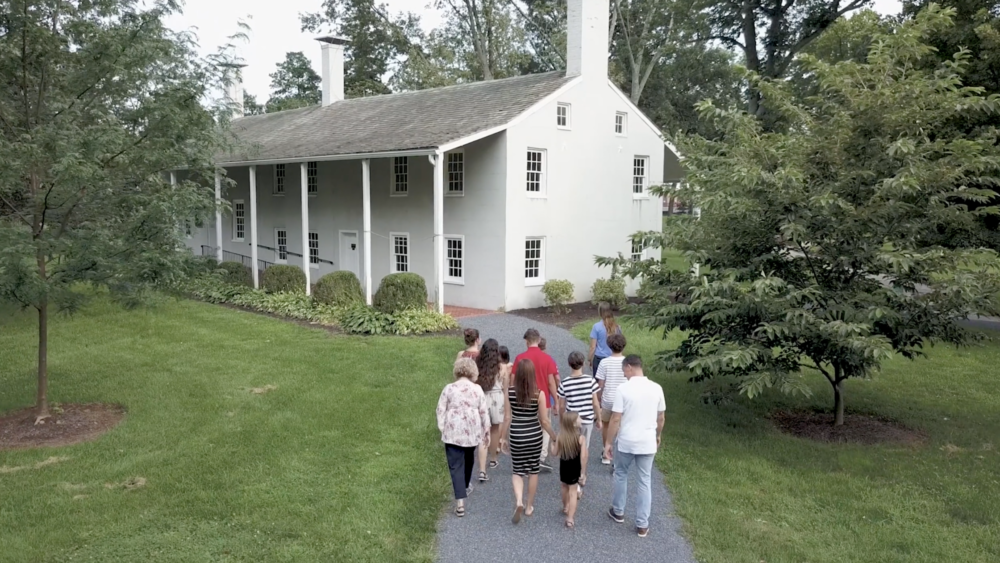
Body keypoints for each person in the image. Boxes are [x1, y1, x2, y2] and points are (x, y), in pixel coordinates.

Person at [604, 355, 665, 538]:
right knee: (644, 480)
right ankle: (642, 524)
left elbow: (615, 418)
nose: (624, 374)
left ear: (629, 367)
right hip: (647, 441)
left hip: (627, 441)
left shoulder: (623, 389)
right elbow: (661, 417)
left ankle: (618, 511)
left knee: (621, 473)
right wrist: (658, 435)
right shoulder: (656, 388)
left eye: (624, 370)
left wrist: (608, 442)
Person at [500, 359, 556, 524]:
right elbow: (544, 421)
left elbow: (507, 417)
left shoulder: (509, 392)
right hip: (534, 435)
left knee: (517, 470)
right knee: (533, 470)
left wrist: (503, 438)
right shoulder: (539, 394)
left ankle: (518, 501)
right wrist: (554, 437)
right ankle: (529, 506)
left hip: (517, 433)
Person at [436, 357, 490, 517]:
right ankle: (465, 486)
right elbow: (483, 411)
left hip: (453, 430)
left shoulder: (449, 388)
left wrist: (443, 428)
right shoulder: (477, 389)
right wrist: (486, 430)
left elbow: (440, 409)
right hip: (471, 431)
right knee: (468, 460)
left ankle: (460, 500)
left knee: (455, 465)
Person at [514, 328, 559, 471]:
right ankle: (540, 457)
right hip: (543, 398)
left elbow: (513, 380)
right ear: (539, 340)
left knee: (527, 425)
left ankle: (526, 455)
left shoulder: (520, 358)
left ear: (526, 342)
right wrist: (556, 400)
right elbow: (551, 382)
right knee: (544, 426)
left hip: (523, 398)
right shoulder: (547, 358)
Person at [557, 351, 600, 497]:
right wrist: (599, 419)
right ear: (582, 363)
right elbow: (595, 403)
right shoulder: (590, 381)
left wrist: (562, 421)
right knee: (584, 448)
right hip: (587, 420)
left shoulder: (565, 382)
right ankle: (581, 475)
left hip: (571, 420)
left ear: (569, 364)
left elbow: (561, 406)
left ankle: (574, 481)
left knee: (572, 450)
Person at [475, 339, 507, 482]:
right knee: (494, 430)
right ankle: (493, 458)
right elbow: (505, 387)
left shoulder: (478, 365)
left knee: (483, 433)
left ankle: (482, 470)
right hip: (496, 398)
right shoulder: (501, 367)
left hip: (482, 397)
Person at [595, 332, 627, 465]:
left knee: (606, 425)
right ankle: (619, 455)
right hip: (623, 400)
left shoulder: (604, 362)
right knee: (620, 426)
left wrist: (598, 399)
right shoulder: (627, 362)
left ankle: (606, 451)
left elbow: (600, 385)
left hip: (608, 399)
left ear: (609, 346)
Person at [551, 411, 587, 528]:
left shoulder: (561, 436)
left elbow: (554, 453)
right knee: (573, 492)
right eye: (579, 418)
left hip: (564, 467)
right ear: (573, 423)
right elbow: (583, 457)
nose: (581, 420)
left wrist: (552, 444)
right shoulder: (580, 438)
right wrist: (582, 472)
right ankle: (570, 518)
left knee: (563, 486)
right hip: (574, 467)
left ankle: (565, 506)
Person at [588, 302, 621, 375]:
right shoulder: (617, 327)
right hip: (613, 358)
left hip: (600, 359)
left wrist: (589, 359)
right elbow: (620, 345)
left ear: (600, 312)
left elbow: (593, 347)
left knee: (598, 383)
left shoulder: (596, 327)